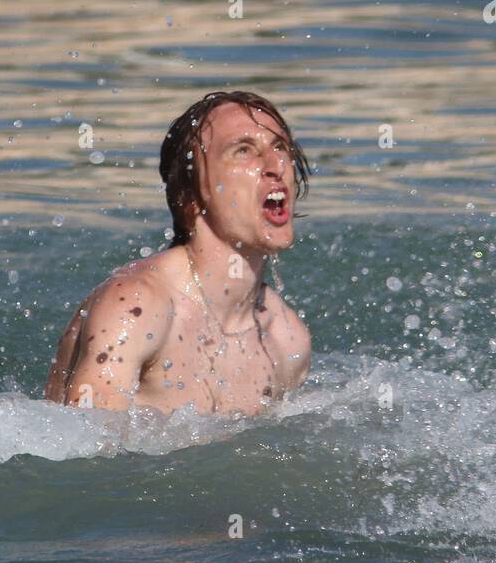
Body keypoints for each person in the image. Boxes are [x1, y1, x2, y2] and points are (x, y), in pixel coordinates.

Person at [46, 91, 312, 415]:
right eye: (243, 150)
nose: (275, 166)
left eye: (280, 146)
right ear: (190, 197)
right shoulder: (136, 308)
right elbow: (85, 456)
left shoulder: (286, 340)